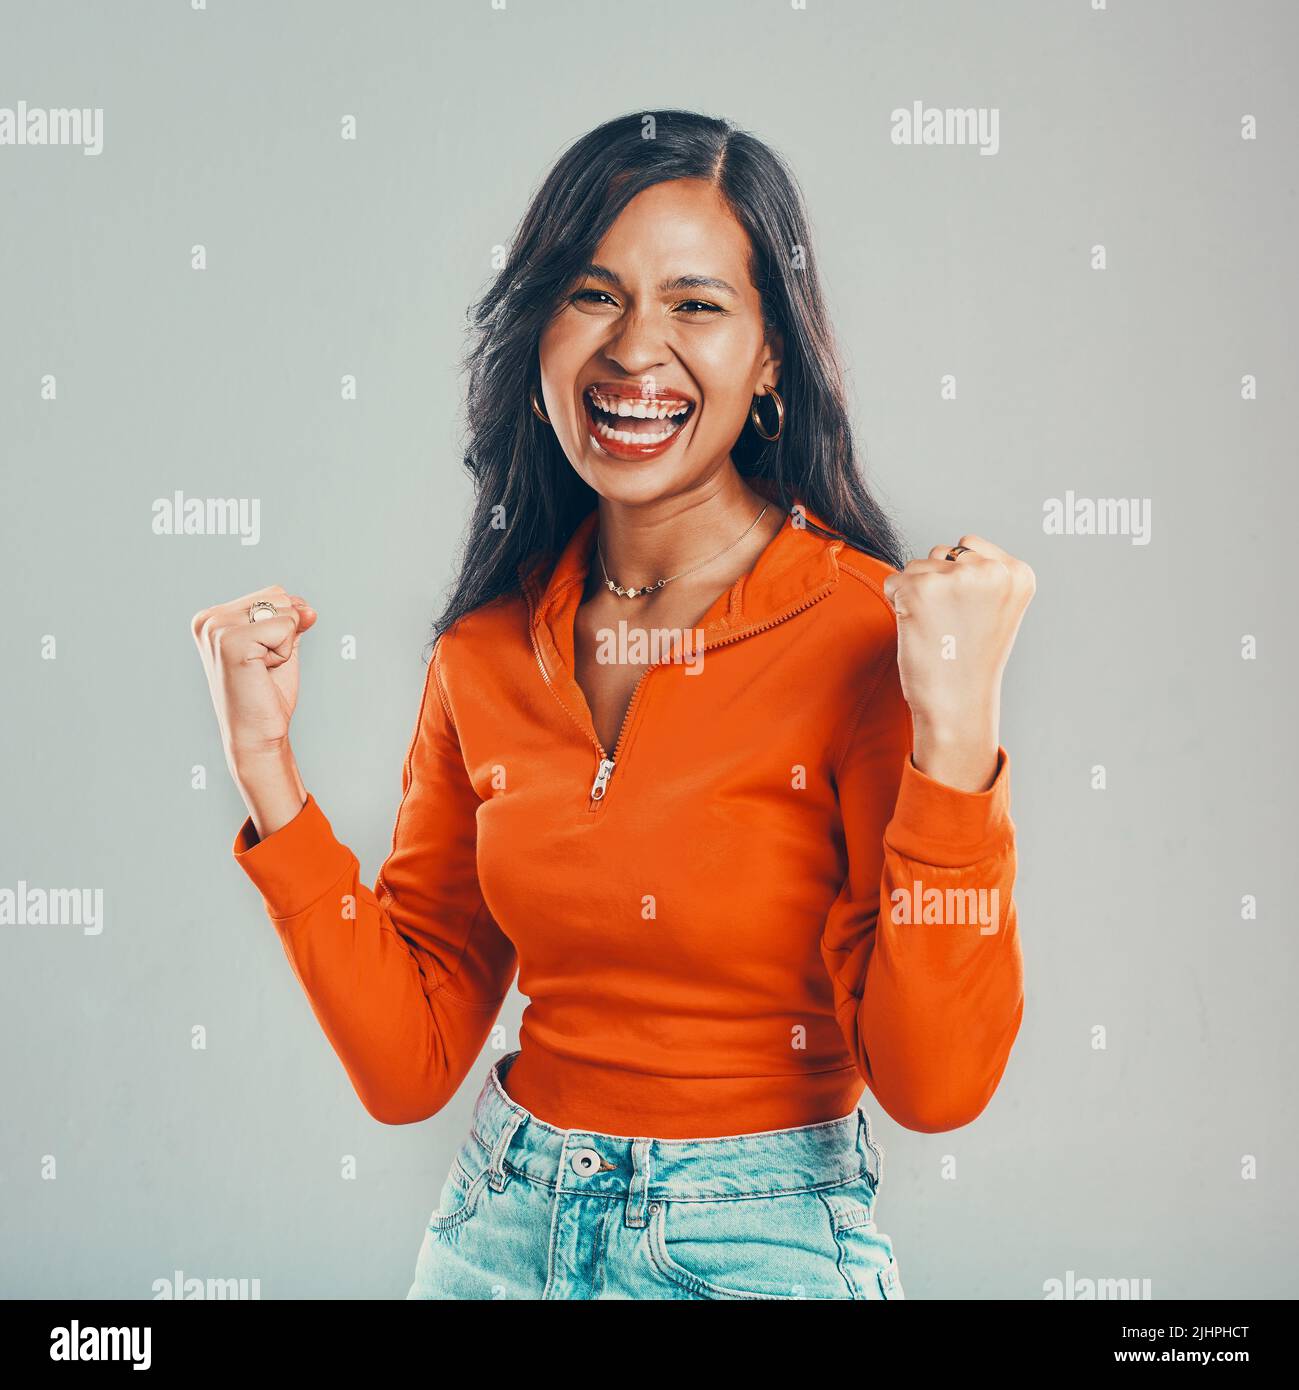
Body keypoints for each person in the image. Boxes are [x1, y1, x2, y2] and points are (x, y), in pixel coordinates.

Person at [191, 109, 1034, 1300]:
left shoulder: (869, 641)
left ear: (773, 356)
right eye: (594, 294)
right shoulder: (483, 653)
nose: (636, 351)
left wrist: (957, 740)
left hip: (755, 1236)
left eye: (696, 304)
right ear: (536, 331)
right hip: (496, 1228)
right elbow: (413, 1060)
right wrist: (266, 764)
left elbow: (937, 1086)